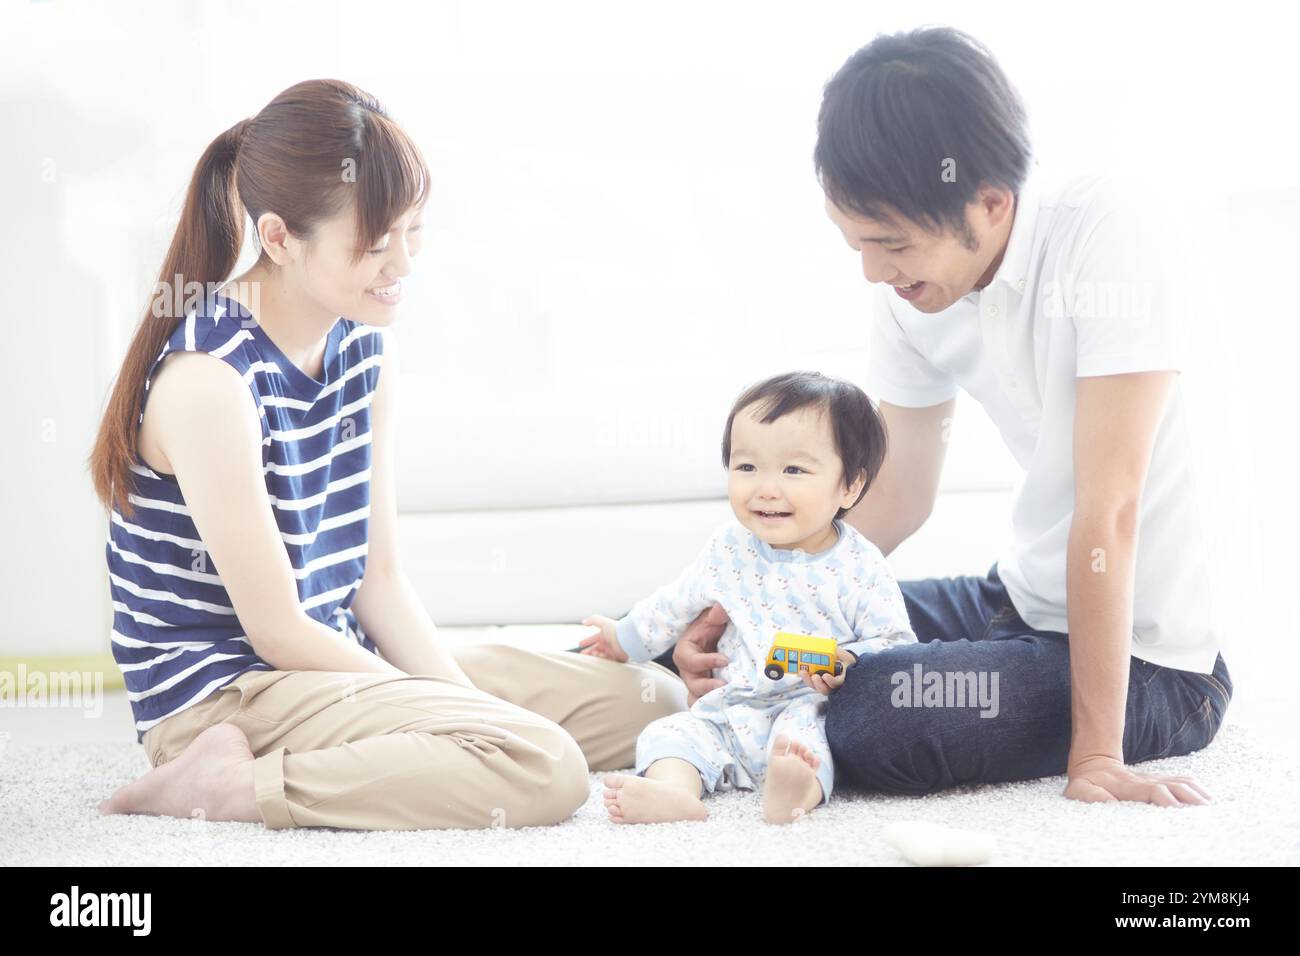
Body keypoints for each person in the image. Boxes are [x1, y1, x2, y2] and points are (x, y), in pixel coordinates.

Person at [654, 26, 1231, 807]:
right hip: (1010, 601)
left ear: (990, 203)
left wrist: (1097, 755)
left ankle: (771, 725)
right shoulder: (914, 292)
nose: (872, 272)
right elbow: (895, 499)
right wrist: (741, 605)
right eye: (855, 242)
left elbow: (1112, 511)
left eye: (890, 244)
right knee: (695, 640)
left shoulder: (1107, 232)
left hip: (1151, 664)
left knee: (881, 705)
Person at [88, 79, 684, 831]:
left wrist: (453, 702)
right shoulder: (210, 381)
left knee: (649, 702)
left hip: (329, 661)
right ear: (278, 239)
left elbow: (379, 580)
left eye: (413, 231)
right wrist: (456, 715)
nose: (402, 263)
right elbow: (275, 631)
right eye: (374, 243)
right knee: (547, 766)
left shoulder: (366, 348)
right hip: (228, 695)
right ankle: (223, 783)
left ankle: (424, 740)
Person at [580, 372, 916, 824]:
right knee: (670, 732)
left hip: (806, 708)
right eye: (747, 467)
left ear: (849, 487)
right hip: (729, 707)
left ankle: (792, 792)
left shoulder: (859, 564)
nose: (766, 487)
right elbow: (675, 603)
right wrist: (623, 638)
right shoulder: (729, 548)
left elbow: (896, 642)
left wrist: (846, 659)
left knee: (810, 747)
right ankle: (673, 793)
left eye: (794, 470)